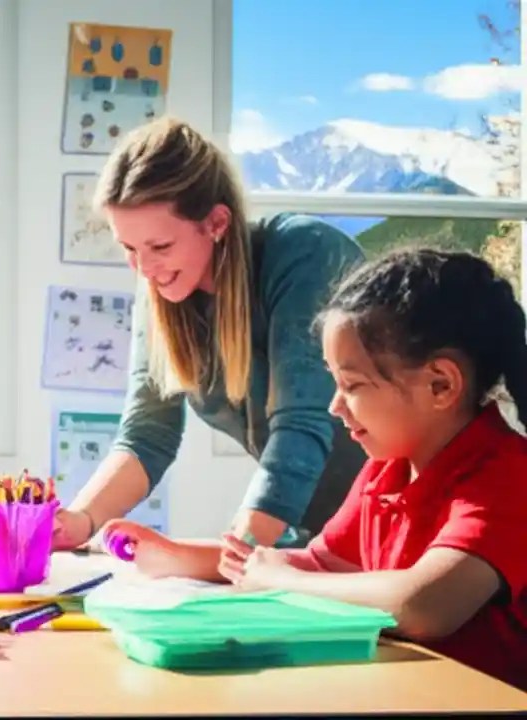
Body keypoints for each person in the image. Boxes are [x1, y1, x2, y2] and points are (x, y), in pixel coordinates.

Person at [111, 249, 527, 691]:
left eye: (353, 386)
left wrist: (280, 581)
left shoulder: (508, 476)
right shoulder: (386, 471)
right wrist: (180, 558)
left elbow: (424, 606)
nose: (335, 406)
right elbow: (321, 566)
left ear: (440, 384)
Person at [54, 117, 367, 564]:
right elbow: (146, 436)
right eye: (129, 248)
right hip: (320, 533)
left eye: (160, 246)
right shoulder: (161, 288)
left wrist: (235, 555)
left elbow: (300, 426)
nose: (143, 268)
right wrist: (79, 521)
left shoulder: (304, 254)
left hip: (407, 518)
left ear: (217, 222)